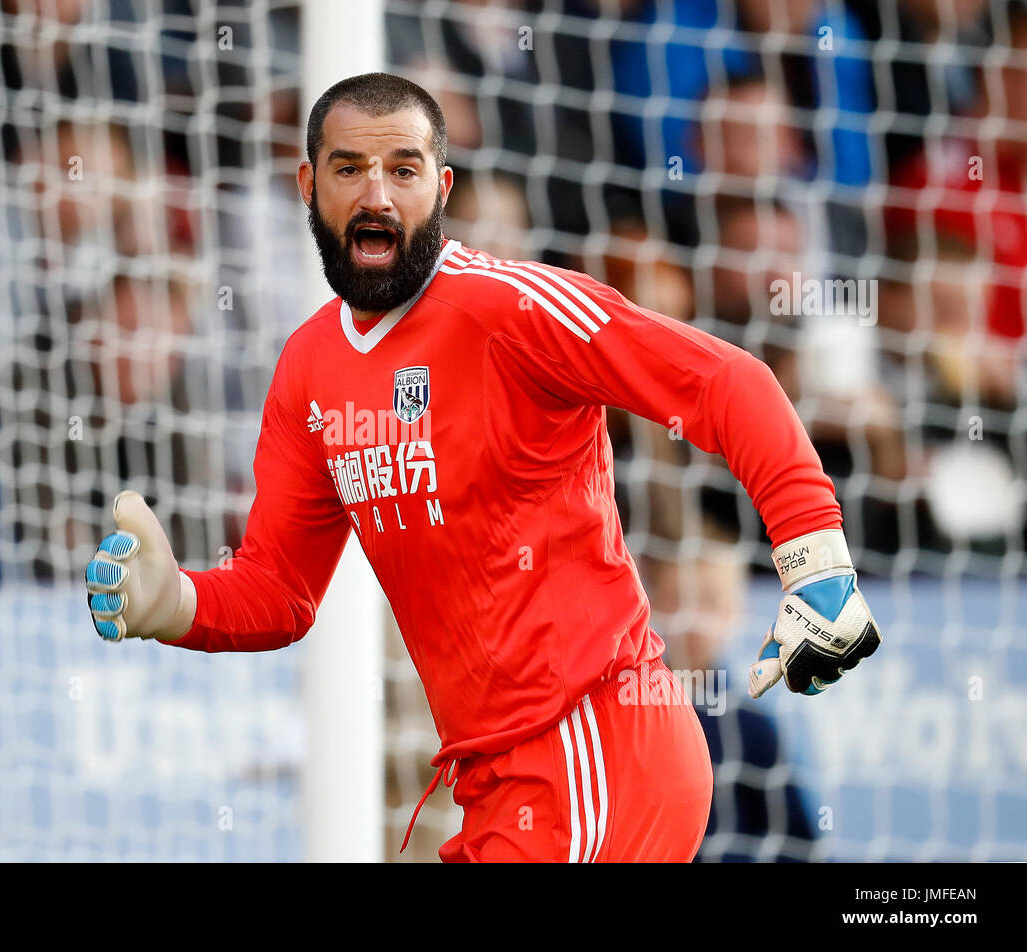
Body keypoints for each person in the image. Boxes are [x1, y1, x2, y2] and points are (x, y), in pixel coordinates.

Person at [84, 73, 882, 863]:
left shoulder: (514, 312)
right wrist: (178, 602)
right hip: (498, 784)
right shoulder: (308, 369)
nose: (377, 196)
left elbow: (724, 382)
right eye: (349, 168)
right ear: (307, 183)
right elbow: (281, 593)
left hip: (596, 750)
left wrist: (815, 560)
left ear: (443, 185)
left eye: (404, 169)